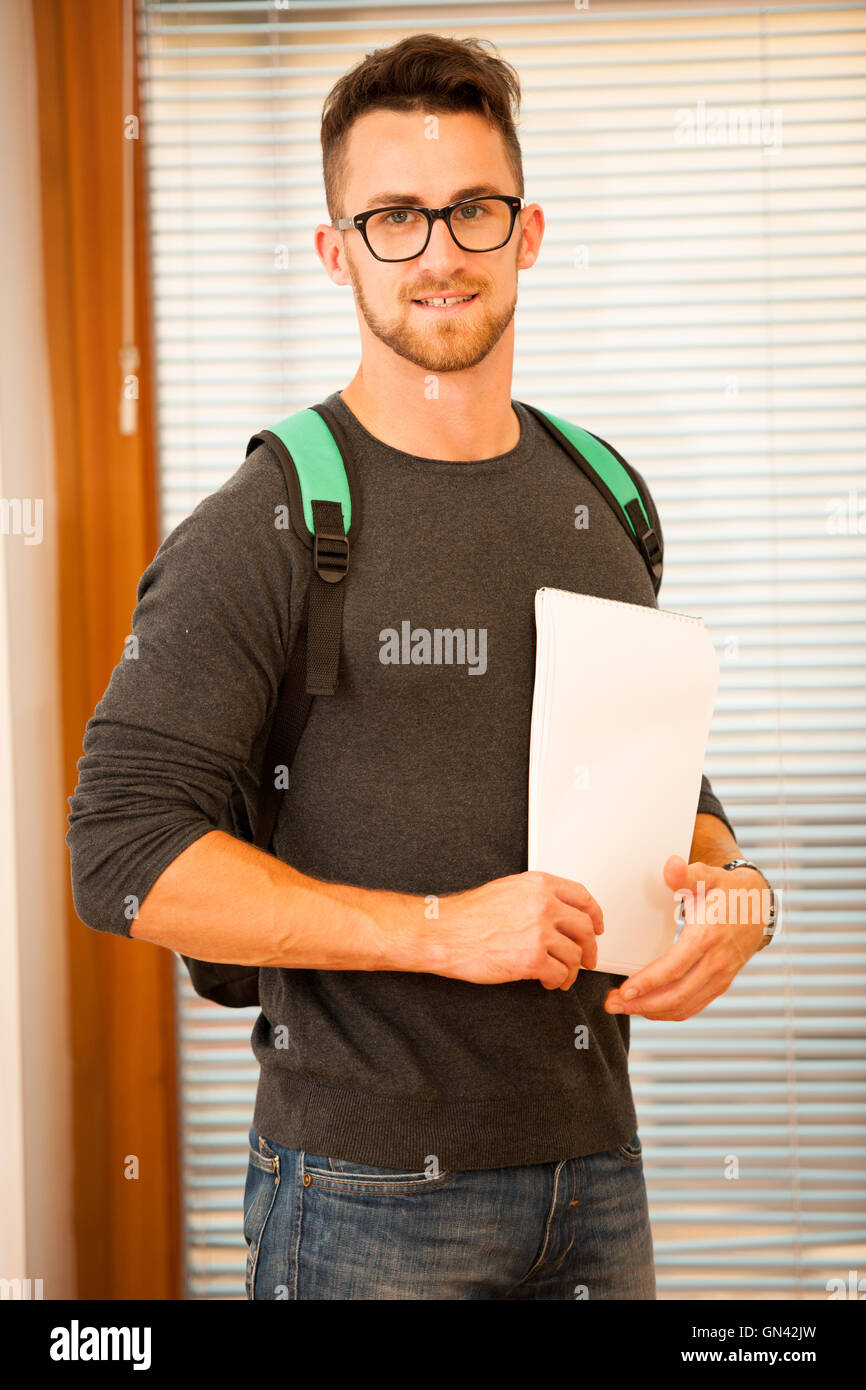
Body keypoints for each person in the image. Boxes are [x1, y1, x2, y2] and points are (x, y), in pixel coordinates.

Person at [67, 32, 775, 1301]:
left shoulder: (601, 493)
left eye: (471, 211)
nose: (439, 251)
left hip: (596, 1172)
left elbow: (655, 774)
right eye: (393, 216)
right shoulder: (269, 520)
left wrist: (735, 893)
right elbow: (118, 853)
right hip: (359, 1197)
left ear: (528, 231)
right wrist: (441, 931)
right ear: (336, 248)